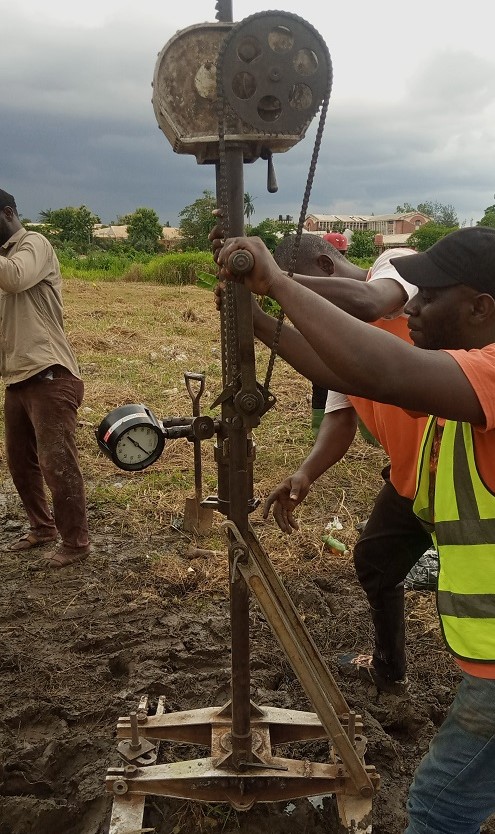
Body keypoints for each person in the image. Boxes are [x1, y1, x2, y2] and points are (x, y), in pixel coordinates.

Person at [214, 226, 495, 834]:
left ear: (480, 308)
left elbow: (383, 370)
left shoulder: (493, 375)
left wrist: (278, 282)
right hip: (487, 657)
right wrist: (258, 319)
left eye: (430, 295)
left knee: (440, 808)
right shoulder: (461, 376)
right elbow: (359, 378)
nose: (412, 305)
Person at [261, 235, 431, 695]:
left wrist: (275, 284)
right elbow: (339, 417)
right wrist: (305, 472)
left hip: (460, 471)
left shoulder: (395, 266)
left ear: (324, 264)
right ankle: (389, 670)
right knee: (376, 560)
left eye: (307, 293)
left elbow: (369, 299)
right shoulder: (346, 342)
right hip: (412, 479)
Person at [0, 188, 90, 568]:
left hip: (50, 375)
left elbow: (15, 278)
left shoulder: (33, 244)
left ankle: (76, 542)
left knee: (57, 462)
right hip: (18, 378)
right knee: (20, 462)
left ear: (7, 214)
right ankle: (42, 527)